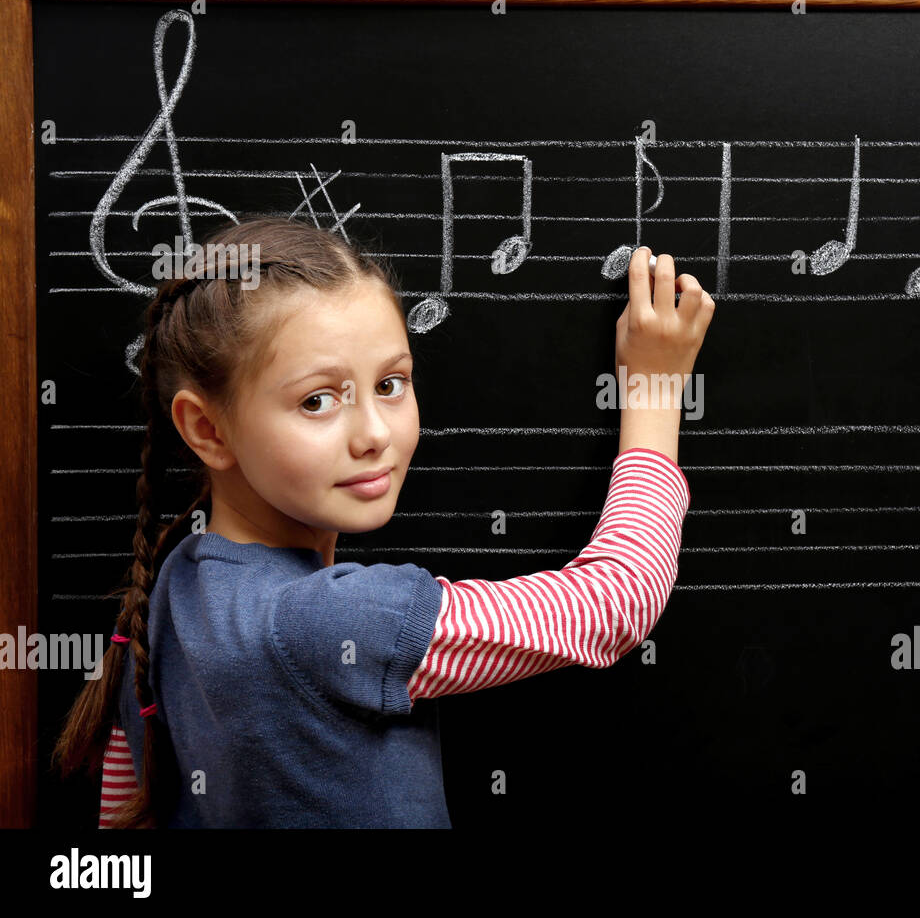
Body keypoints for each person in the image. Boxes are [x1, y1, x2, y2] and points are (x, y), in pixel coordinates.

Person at [51, 216, 713, 827]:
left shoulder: (172, 584)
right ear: (207, 428)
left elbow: (126, 796)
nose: (374, 434)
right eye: (317, 400)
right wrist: (654, 395)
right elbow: (613, 607)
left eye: (392, 384)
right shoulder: (341, 620)